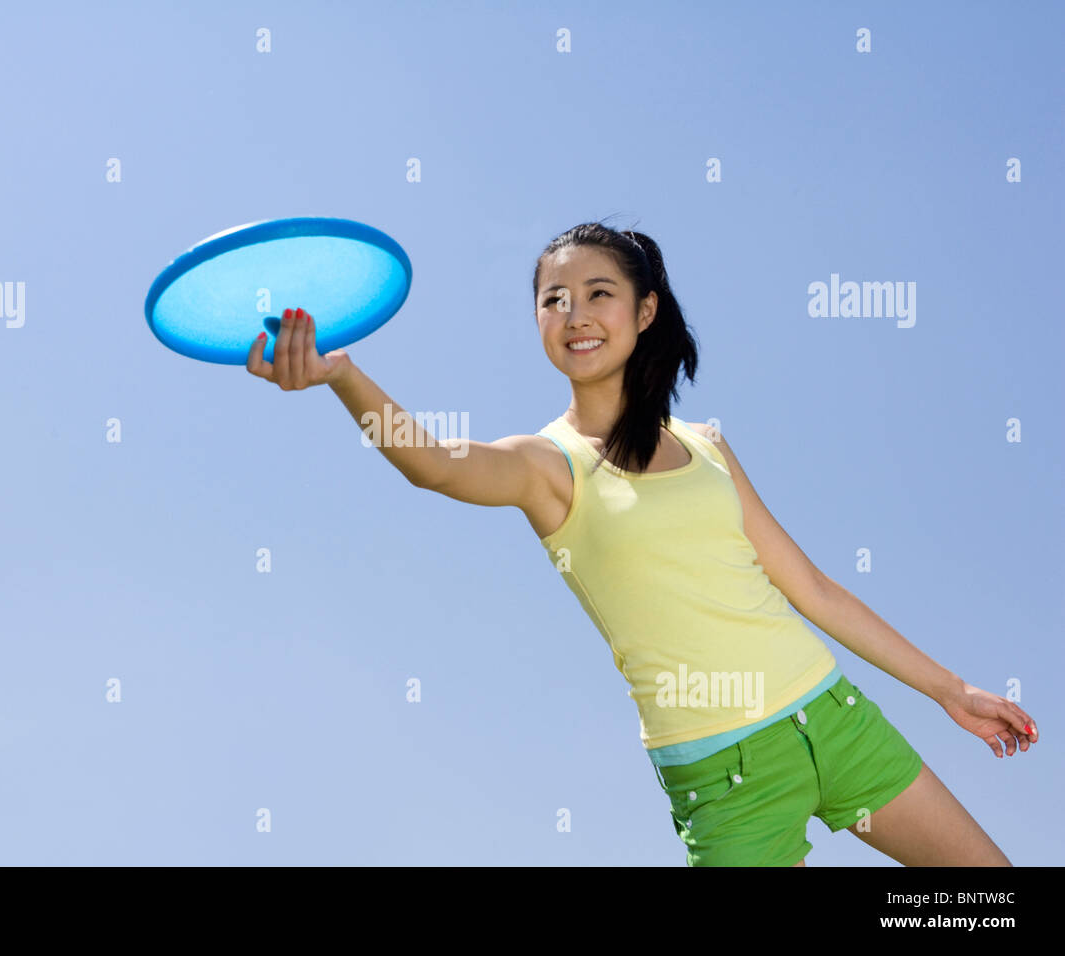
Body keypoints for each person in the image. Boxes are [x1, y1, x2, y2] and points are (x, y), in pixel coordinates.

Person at [245, 221, 1039, 867]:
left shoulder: (708, 445)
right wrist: (343, 377)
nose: (576, 313)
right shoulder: (547, 467)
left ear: (646, 311)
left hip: (834, 717)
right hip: (727, 776)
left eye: (599, 293)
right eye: (554, 299)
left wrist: (949, 690)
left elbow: (814, 589)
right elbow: (435, 467)